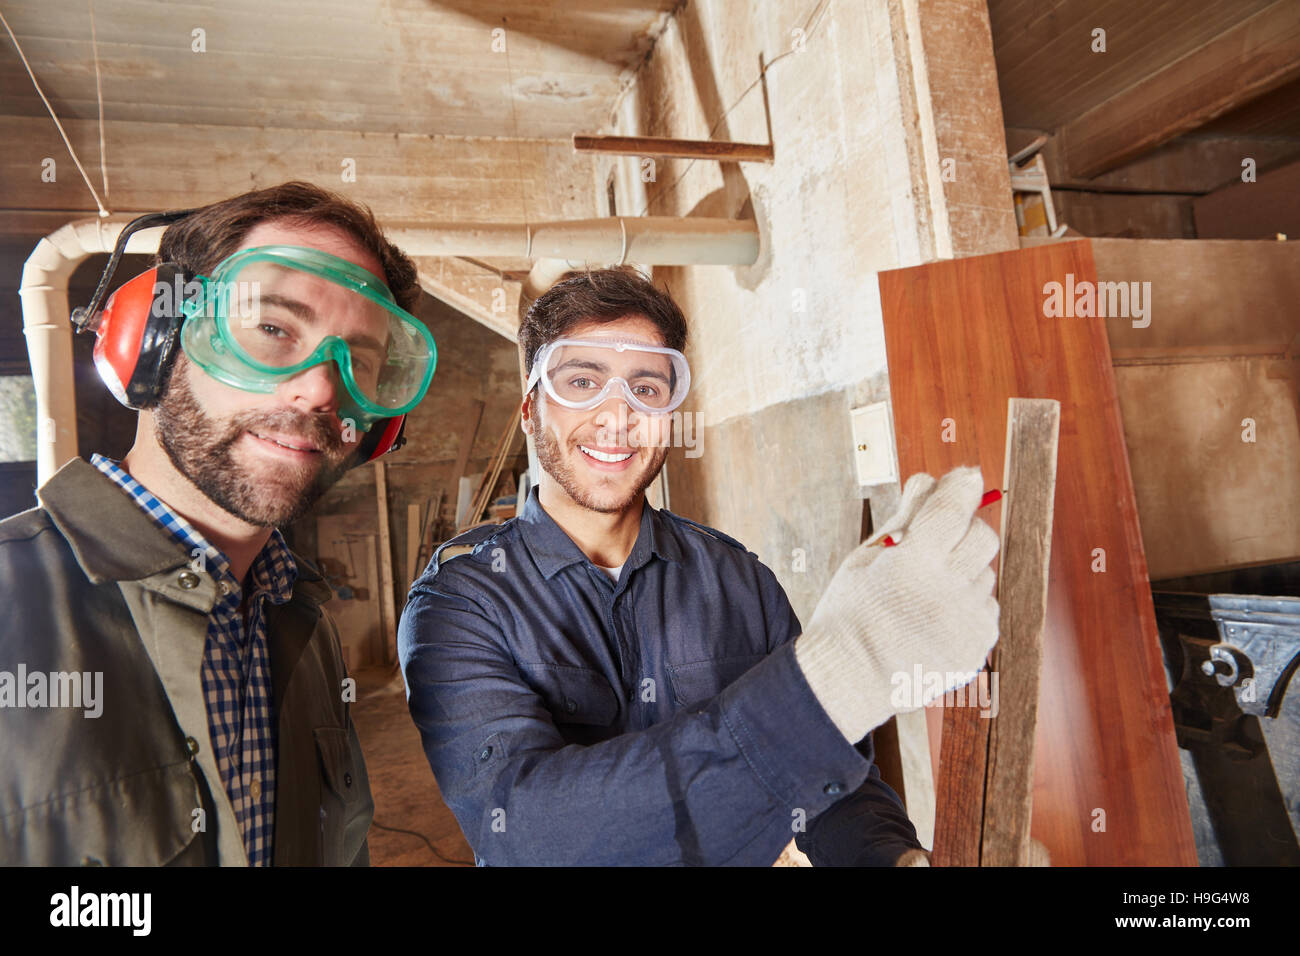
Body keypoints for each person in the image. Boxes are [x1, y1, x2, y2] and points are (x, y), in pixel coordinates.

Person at [398, 268, 1000, 865]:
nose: (617, 416)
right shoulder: (460, 604)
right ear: (530, 410)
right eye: (582, 381)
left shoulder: (739, 581)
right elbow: (528, 831)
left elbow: (834, 782)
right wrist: (836, 676)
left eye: (647, 388)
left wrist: (891, 858)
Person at [0, 181, 436, 865]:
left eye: (359, 361)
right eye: (272, 329)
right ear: (154, 338)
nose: (321, 387)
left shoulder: (306, 625)